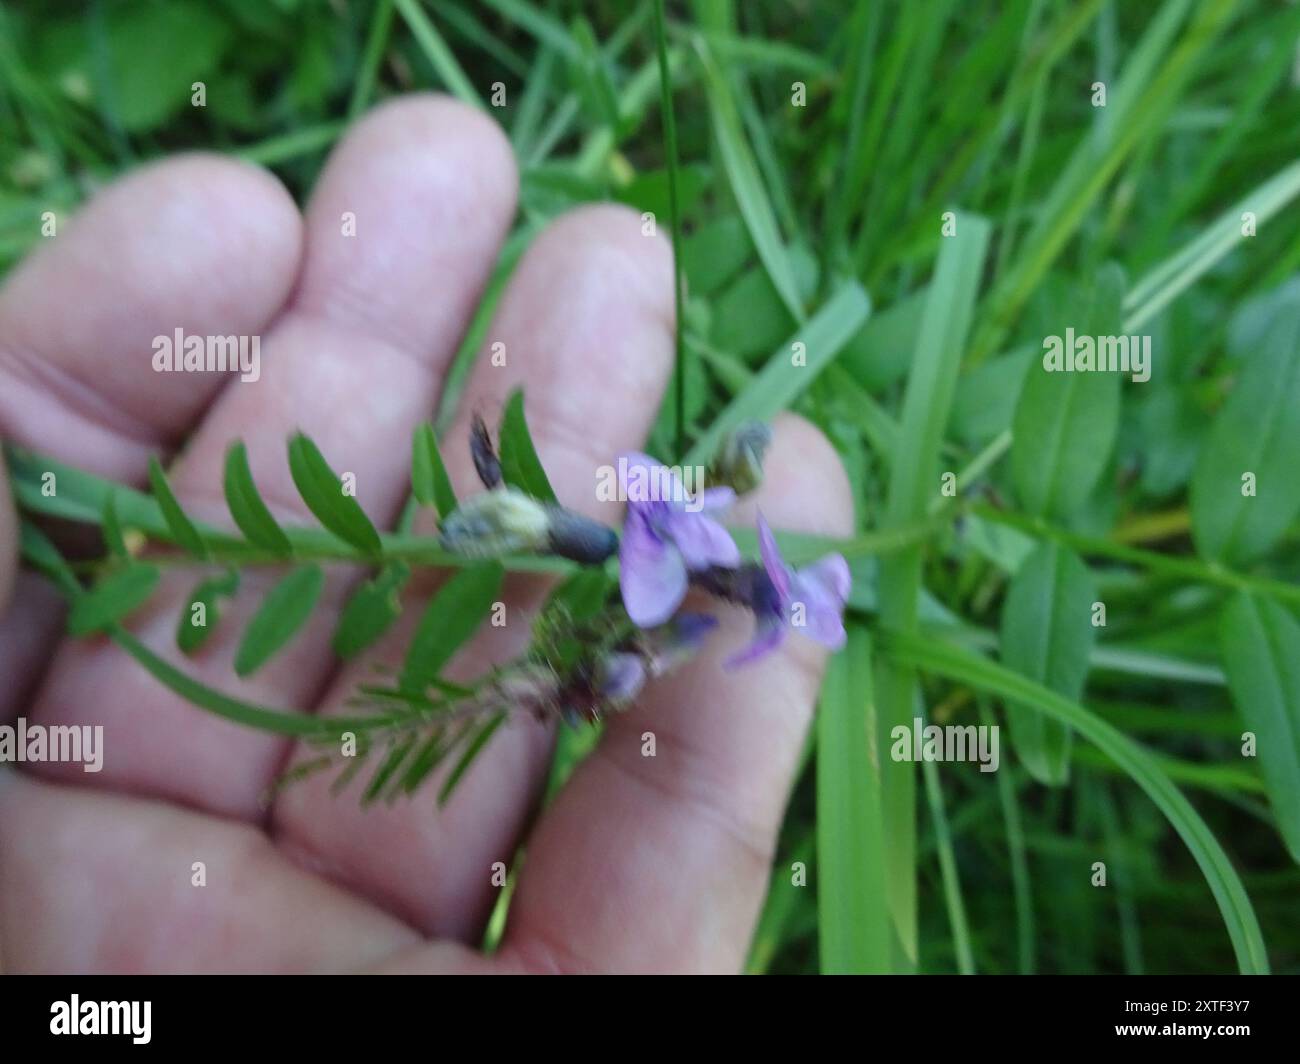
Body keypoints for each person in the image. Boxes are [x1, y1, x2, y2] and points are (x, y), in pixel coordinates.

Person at [0, 95, 851, 974]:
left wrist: (661, 597)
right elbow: (650, 531)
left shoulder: (667, 566)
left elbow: (656, 557)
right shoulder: (659, 543)